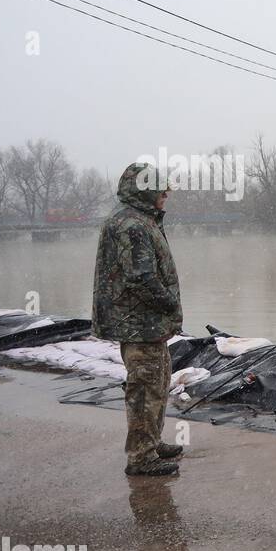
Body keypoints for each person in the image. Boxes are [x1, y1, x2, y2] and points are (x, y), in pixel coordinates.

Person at [91, 162, 185, 476]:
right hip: (139, 323)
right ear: (145, 190)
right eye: (162, 189)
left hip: (148, 324)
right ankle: (141, 457)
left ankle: (151, 443)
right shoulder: (131, 224)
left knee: (158, 383)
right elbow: (142, 279)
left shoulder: (141, 219)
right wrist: (170, 303)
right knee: (145, 388)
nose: (167, 193)